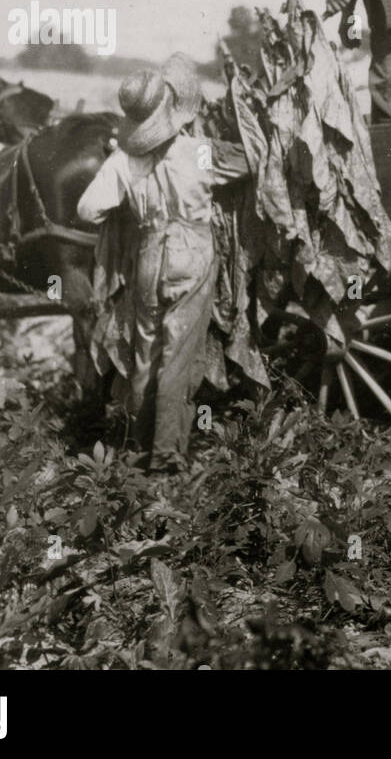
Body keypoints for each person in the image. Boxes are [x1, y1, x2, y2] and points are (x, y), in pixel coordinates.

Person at [76, 54, 248, 469]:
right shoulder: (199, 152)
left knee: (145, 352)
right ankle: (167, 455)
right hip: (192, 252)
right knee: (178, 355)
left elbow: (87, 211)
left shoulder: (124, 161)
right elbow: (246, 165)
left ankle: (136, 447)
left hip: (149, 253)